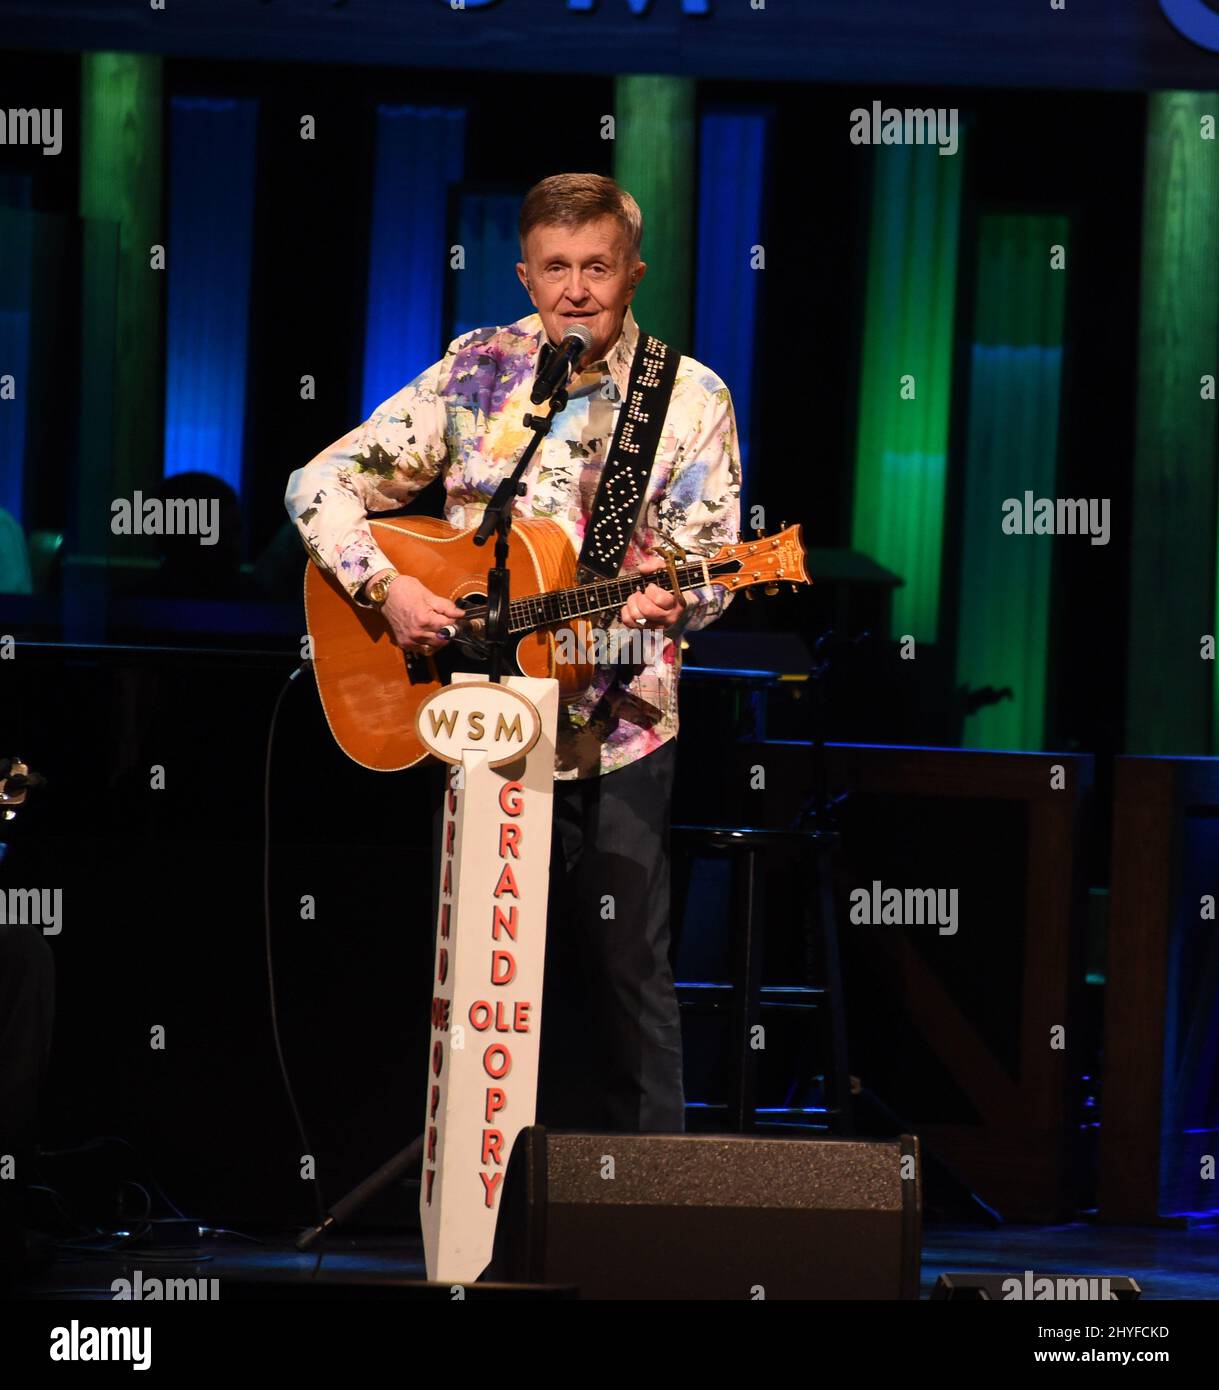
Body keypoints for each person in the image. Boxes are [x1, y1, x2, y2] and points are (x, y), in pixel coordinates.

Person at [285, 172, 740, 1133]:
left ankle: (650, 1207)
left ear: (634, 273)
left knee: (627, 970)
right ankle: (479, 1191)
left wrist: (674, 603)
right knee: (480, 969)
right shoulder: (477, 370)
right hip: (472, 720)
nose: (577, 289)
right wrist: (387, 584)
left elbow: (715, 574)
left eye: (598, 268)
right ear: (526, 274)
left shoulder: (688, 397)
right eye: (556, 268)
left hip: (615, 723)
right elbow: (315, 483)